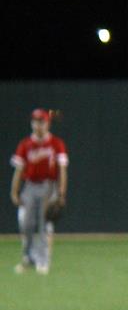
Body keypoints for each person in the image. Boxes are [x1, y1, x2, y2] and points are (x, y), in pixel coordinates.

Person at [11, 108, 68, 275]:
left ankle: (43, 261)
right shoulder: (25, 144)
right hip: (30, 186)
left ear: (48, 124)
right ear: (32, 123)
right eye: (35, 121)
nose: (38, 124)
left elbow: (62, 170)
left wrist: (61, 193)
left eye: (41, 121)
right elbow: (19, 170)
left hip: (49, 186)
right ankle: (28, 259)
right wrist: (14, 192)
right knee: (26, 224)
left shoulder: (57, 144)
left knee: (44, 225)